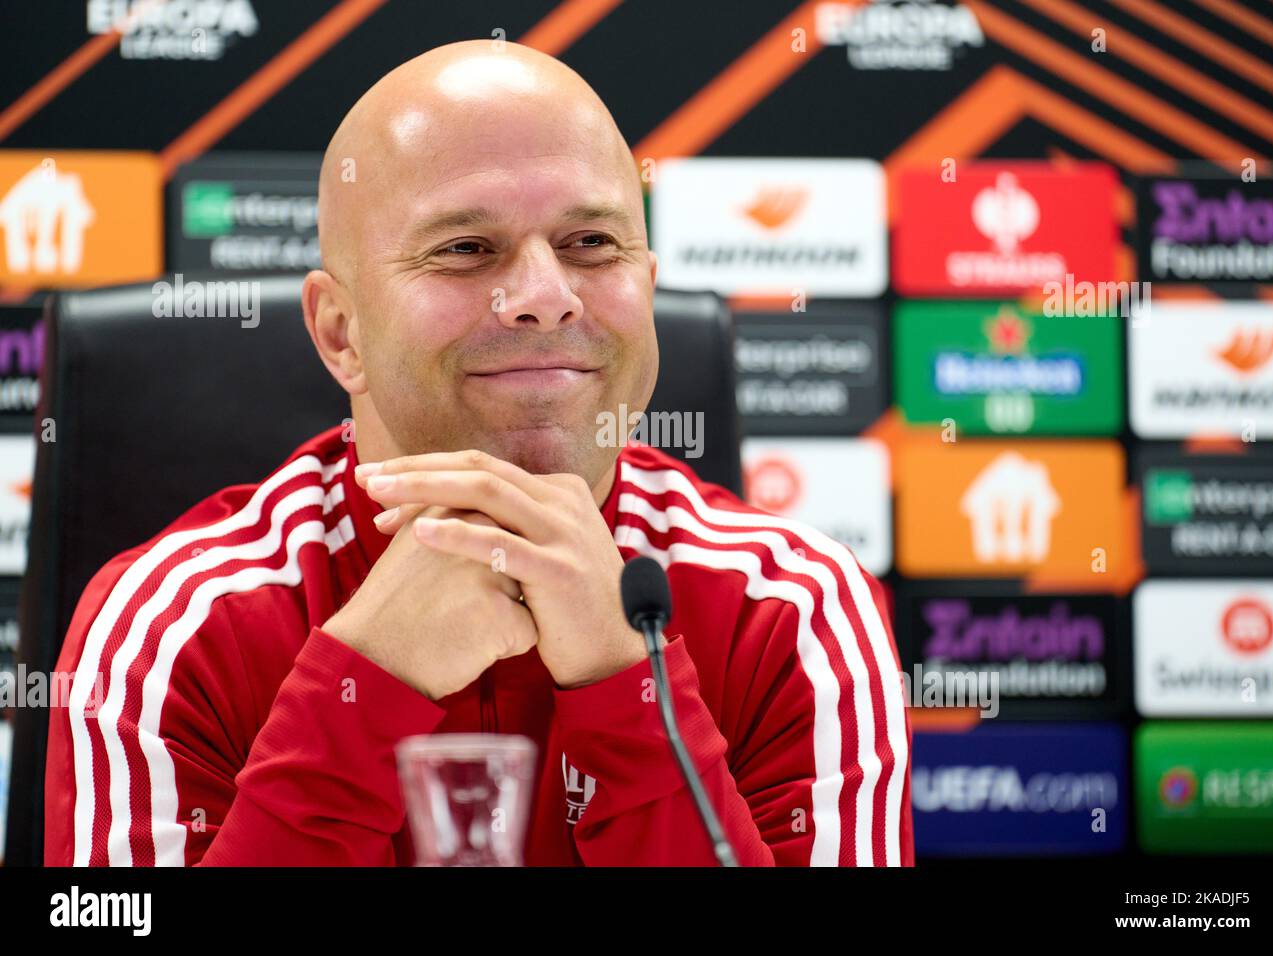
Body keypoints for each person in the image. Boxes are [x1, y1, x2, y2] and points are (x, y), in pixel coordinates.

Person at [44, 40, 912, 866]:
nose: (545, 296)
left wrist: (625, 683)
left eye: (592, 244)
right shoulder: (172, 629)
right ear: (340, 333)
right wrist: (357, 690)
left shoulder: (793, 614)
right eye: (465, 249)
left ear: (645, 293)